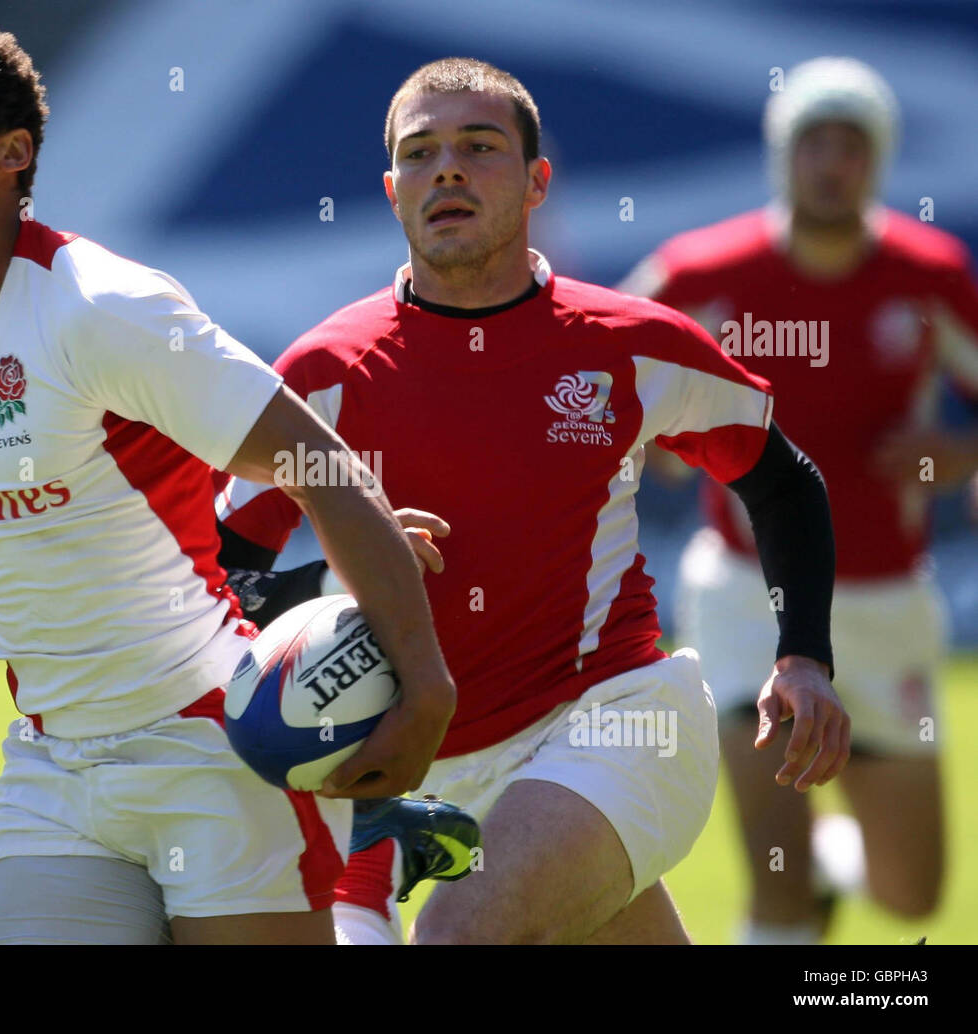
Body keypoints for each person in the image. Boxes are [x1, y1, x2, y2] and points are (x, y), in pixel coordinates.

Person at [0, 14, 457, 946]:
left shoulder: (100, 307)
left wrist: (425, 691)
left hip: (214, 749)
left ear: (12, 153)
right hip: (52, 779)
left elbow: (321, 464)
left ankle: (376, 873)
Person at [214, 57, 851, 945]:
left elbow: (781, 477)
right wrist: (344, 568)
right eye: (422, 153)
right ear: (392, 189)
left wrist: (804, 659)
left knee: (456, 937)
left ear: (536, 180)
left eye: (479, 147)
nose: (448, 170)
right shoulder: (322, 372)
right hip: (400, 771)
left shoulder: (633, 344)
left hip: (611, 725)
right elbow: (219, 582)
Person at [621, 56, 978, 943]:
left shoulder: (929, 274)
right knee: (776, 882)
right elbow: (592, 385)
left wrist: (959, 453)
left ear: (879, 160)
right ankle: (795, 889)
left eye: (850, 145)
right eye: (812, 142)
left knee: (912, 892)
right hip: (750, 598)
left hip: (889, 601)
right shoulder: (703, 271)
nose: (830, 162)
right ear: (783, 155)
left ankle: (827, 862)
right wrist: (656, 442)